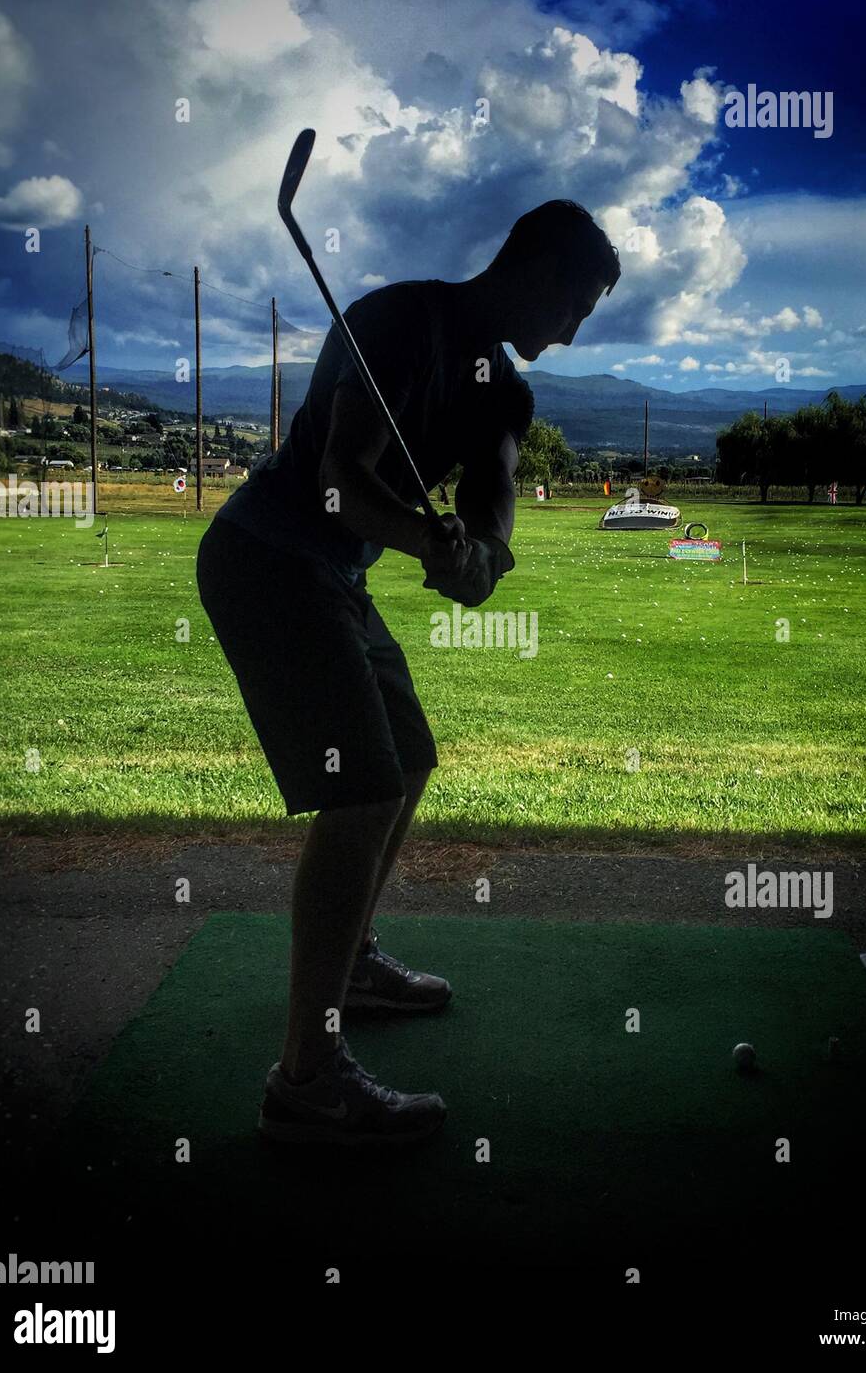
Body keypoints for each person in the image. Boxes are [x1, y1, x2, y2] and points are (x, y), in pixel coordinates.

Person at [196, 199, 620, 1147]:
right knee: (361, 792)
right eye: (580, 304)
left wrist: (486, 557)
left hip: (331, 574)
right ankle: (305, 1078)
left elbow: (494, 491)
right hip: (267, 556)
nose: (577, 327)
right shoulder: (398, 321)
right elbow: (343, 484)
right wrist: (431, 541)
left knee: (410, 758)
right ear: (541, 274)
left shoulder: (506, 394)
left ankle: (351, 966)